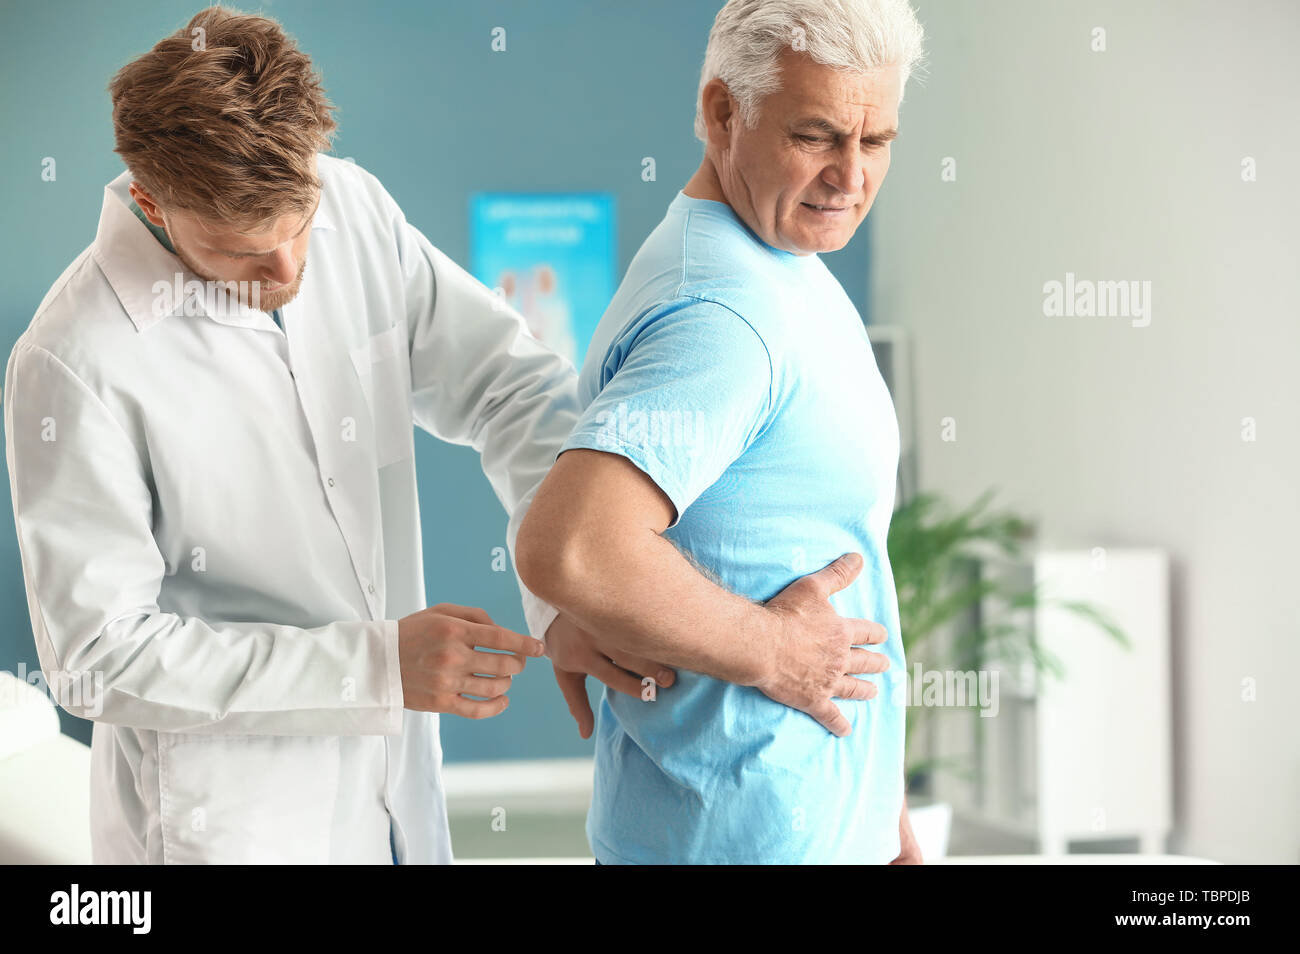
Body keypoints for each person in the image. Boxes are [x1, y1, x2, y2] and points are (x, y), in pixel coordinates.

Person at [2, 6, 577, 864]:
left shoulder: (351, 204)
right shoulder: (73, 359)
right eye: (244, 254)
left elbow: (513, 385)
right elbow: (95, 656)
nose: (290, 272)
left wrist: (573, 589)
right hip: (232, 825)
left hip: (394, 789)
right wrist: (376, 668)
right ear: (155, 202)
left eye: (299, 225)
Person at [517, 0, 927, 864]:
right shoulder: (725, 313)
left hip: (803, 828)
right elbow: (574, 548)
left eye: (877, 140)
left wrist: (872, 809)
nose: (850, 176)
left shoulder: (780, 264)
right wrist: (775, 651)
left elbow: (780, 536)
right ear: (720, 113)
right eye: (815, 136)